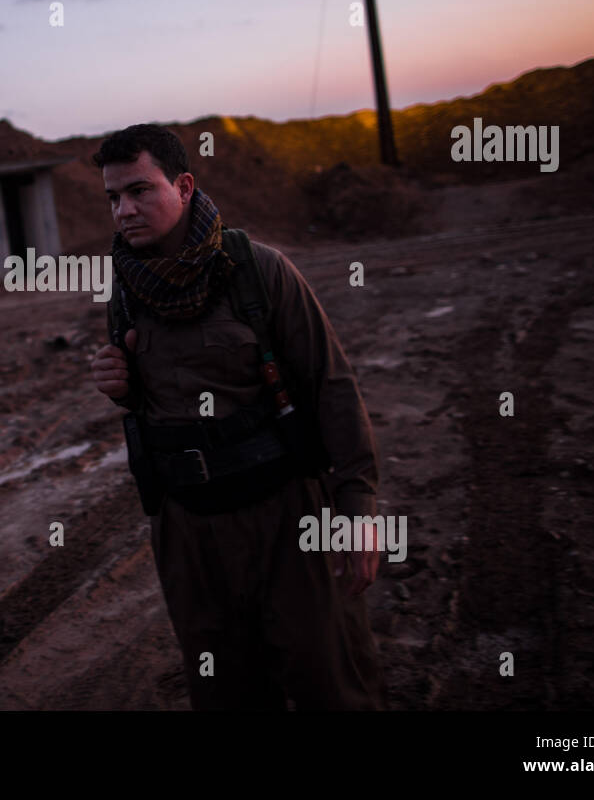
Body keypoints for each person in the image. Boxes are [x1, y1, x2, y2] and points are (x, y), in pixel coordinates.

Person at [88, 123, 388, 710]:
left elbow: (333, 387)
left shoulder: (260, 270)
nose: (124, 210)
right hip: (188, 529)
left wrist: (357, 510)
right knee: (224, 691)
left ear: (185, 185)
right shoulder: (123, 288)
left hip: (285, 516)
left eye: (141, 191)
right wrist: (120, 388)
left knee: (330, 681)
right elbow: (156, 401)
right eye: (113, 198)